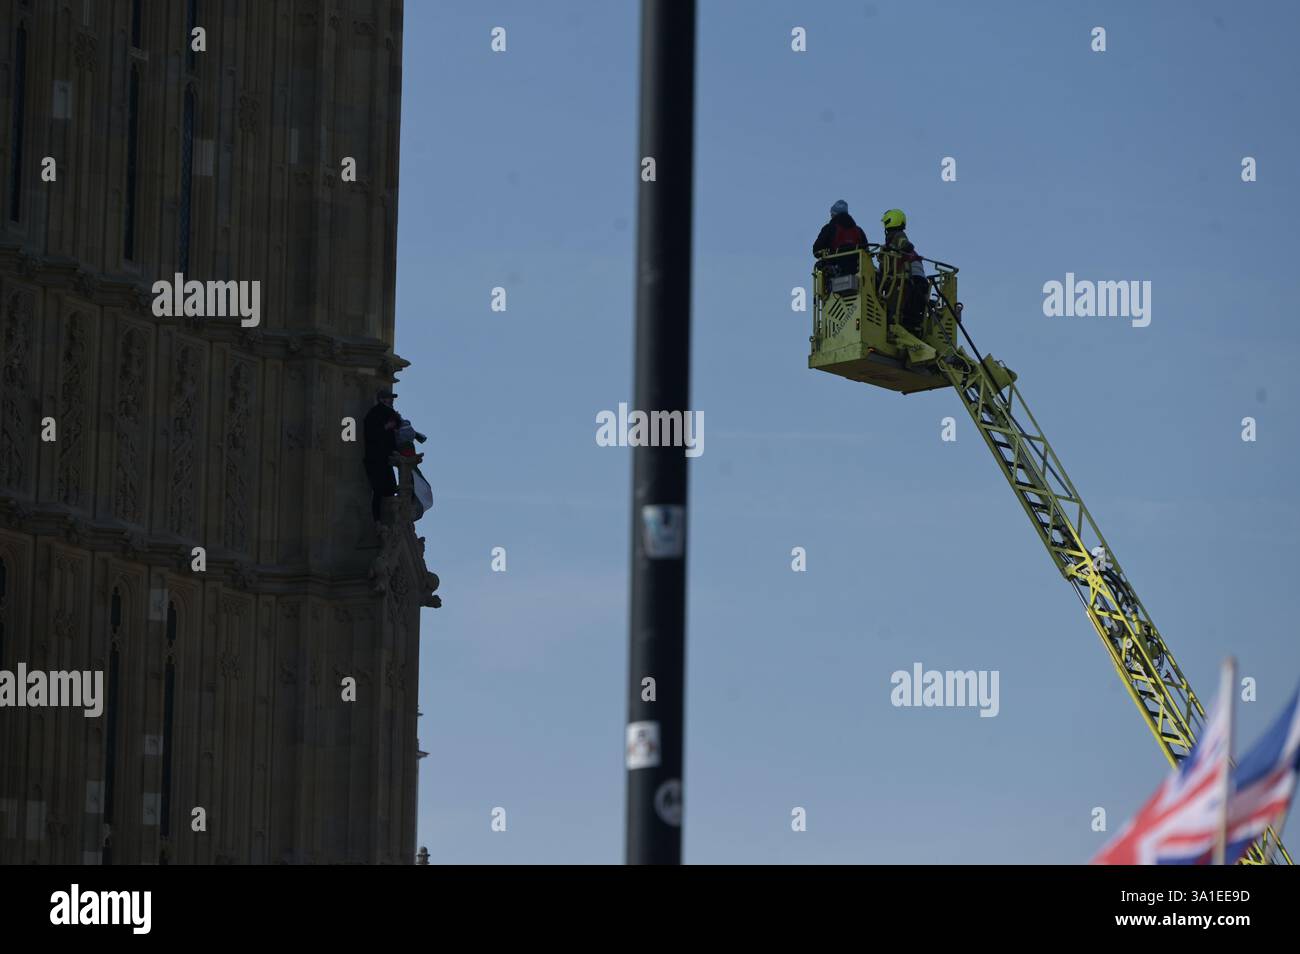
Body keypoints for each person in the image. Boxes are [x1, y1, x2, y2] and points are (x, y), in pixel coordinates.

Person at [878, 209, 928, 331]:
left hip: (906, 279)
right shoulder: (891, 242)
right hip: (916, 280)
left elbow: (905, 244)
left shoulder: (897, 236)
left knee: (894, 301)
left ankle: (891, 320)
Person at [363, 388, 401, 522]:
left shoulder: (387, 413)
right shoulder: (377, 413)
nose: (392, 401)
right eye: (390, 398)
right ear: (382, 400)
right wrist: (386, 427)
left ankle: (383, 521)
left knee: (388, 489)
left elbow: (398, 425)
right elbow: (371, 433)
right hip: (377, 459)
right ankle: (378, 521)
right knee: (380, 490)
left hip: (385, 458)